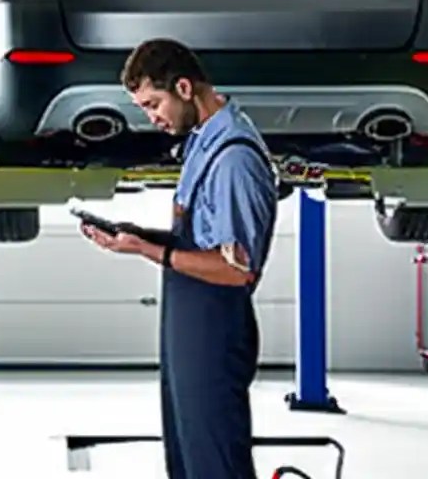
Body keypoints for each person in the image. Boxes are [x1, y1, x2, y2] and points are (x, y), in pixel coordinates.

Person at [79, 38, 279, 479]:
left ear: (184, 88)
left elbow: (235, 268)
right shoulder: (201, 143)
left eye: (154, 104)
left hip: (215, 329)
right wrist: (136, 235)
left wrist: (149, 250)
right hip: (189, 329)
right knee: (187, 458)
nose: (152, 118)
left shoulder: (234, 158)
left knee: (215, 461)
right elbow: (200, 239)